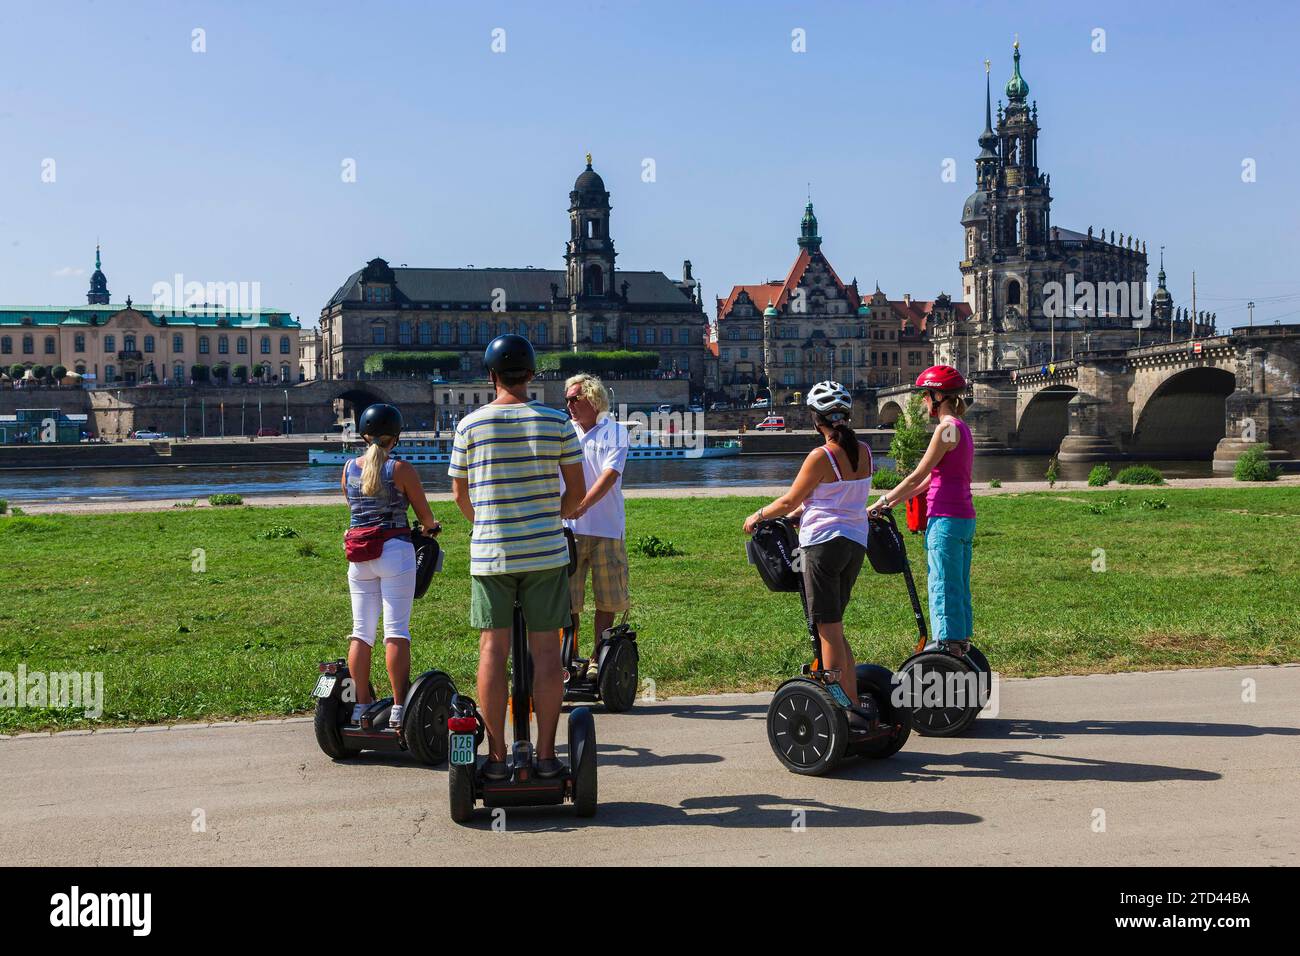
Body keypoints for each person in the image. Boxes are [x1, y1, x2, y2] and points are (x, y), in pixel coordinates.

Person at [448, 335, 586, 781]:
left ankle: (496, 757)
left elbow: (460, 495)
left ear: (490, 375)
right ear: (532, 375)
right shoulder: (557, 423)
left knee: (492, 649)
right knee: (547, 652)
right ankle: (546, 757)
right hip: (545, 553)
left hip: (492, 555)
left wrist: (486, 523)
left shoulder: (469, 426)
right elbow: (578, 494)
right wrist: (551, 516)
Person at [742, 381, 873, 718]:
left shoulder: (822, 455)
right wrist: (802, 513)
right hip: (855, 543)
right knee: (836, 626)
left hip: (823, 547)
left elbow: (789, 499)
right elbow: (838, 497)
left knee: (826, 629)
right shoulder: (866, 452)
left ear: (817, 419)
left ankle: (839, 710)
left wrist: (757, 516)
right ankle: (853, 703)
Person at [340, 403, 441, 729]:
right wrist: (430, 528)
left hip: (359, 558)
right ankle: (399, 708)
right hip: (395, 553)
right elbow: (426, 519)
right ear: (394, 438)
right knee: (396, 632)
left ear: (363, 434)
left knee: (361, 633)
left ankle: (360, 707)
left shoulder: (347, 469)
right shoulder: (401, 469)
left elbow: (356, 509)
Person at [869, 365, 975, 656]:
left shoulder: (946, 428)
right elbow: (931, 479)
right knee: (958, 583)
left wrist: (881, 501)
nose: (923, 401)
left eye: (926, 396)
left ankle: (946, 649)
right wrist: (893, 502)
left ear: (938, 396)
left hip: (945, 519)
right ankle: (961, 643)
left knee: (941, 584)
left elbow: (917, 475)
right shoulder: (962, 429)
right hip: (964, 518)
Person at [561, 373, 631, 670]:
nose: (569, 405)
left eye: (574, 399)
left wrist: (582, 504)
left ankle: (598, 659)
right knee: (568, 603)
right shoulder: (565, 432)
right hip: (570, 531)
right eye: (566, 400)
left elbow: (610, 475)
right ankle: (570, 659)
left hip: (606, 529)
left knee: (608, 600)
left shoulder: (615, 432)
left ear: (592, 398)